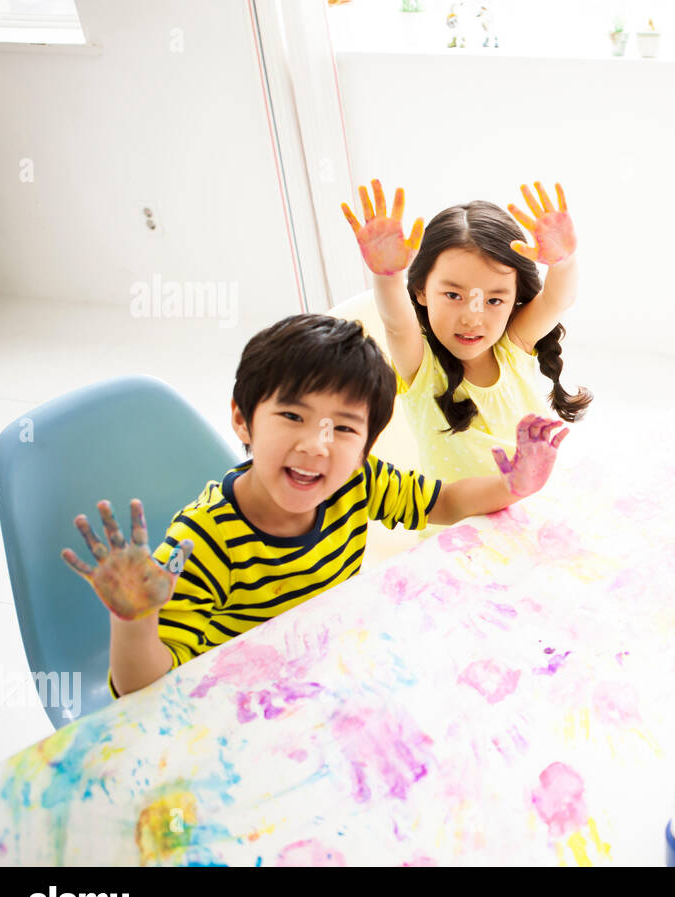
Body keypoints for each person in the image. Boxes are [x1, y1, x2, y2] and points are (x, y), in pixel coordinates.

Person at [61, 313, 568, 697]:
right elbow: (142, 690)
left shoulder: (357, 482)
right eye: (292, 416)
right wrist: (134, 621)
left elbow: (446, 501)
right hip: (233, 696)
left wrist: (517, 485)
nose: (316, 444)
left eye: (344, 427)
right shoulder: (204, 542)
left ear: (369, 440)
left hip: (322, 664)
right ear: (242, 419)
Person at [342, 179, 590, 508]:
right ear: (420, 291)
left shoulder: (512, 346)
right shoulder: (421, 367)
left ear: (516, 297)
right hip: (457, 537)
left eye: (494, 300)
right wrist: (387, 277)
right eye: (453, 295)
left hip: (530, 517)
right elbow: (397, 325)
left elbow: (559, 298)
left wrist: (564, 261)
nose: (473, 317)